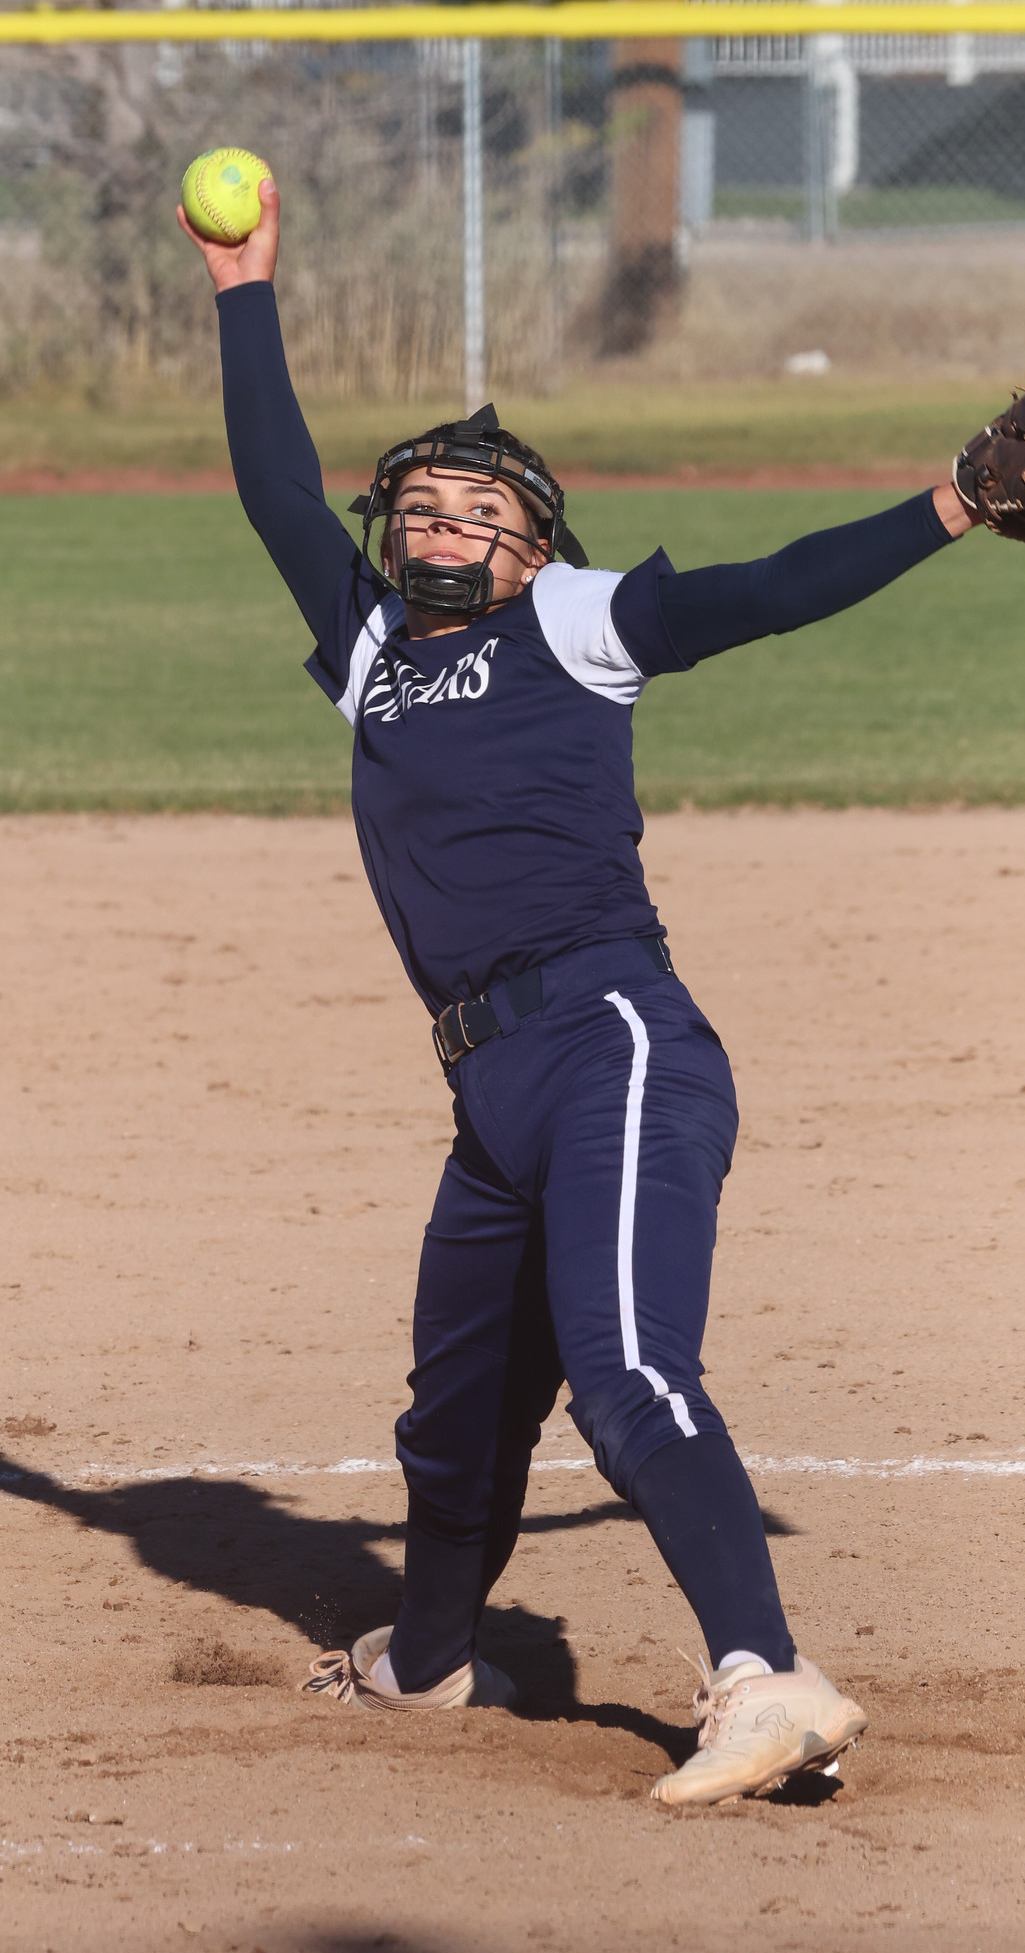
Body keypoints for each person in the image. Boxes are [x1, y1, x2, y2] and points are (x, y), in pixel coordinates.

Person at [178, 173, 979, 1809]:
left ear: (536, 541)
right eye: (418, 507)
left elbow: (768, 589)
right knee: (453, 1419)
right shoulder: (375, 652)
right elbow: (275, 493)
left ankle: (764, 1675)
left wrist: (949, 502)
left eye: (479, 509)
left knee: (628, 1373)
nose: (440, 525)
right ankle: (429, 1658)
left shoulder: (578, 618)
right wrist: (241, 291)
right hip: (495, 1096)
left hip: (612, 1043)